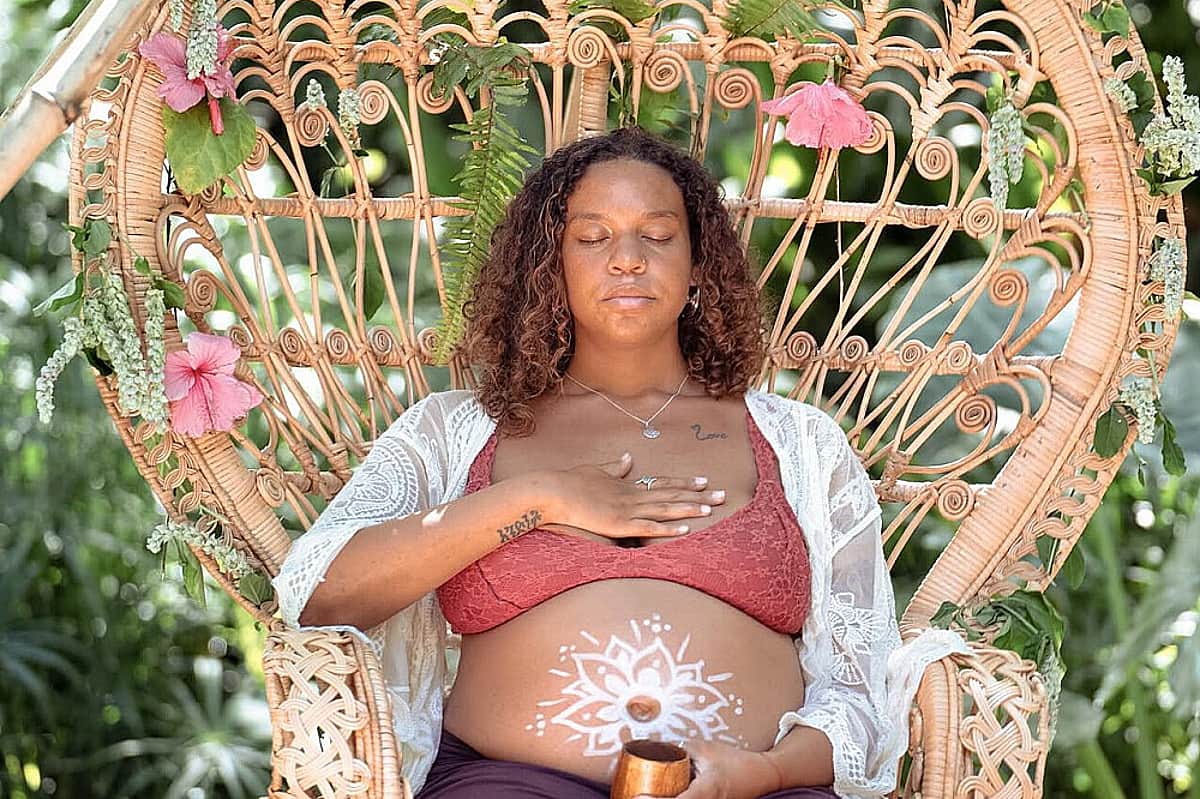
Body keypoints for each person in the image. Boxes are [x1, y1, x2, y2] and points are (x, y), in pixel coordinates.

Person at [271, 127, 966, 799]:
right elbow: (318, 594)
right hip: (507, 780)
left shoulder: (802, 445)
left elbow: (857, 691)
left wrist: (771, 772)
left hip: (758, 789)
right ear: (550, 265)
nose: (627, 258)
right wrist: (535, 499)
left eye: (657, 235)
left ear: (697, 264)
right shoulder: (453, 431)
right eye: (593, 237)